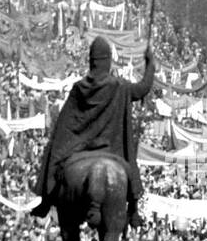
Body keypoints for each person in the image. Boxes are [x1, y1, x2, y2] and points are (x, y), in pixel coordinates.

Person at [32, 36, 155, 224]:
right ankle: (134, 207)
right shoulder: (119, 86)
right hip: (111, 148)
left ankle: (46, 200)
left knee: (53, 148)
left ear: (91, 61)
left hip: (79, 147)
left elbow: (65, 124)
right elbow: (142, 89)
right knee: (130, 163)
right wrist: (150, 64)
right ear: (108, 61)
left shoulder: (79, 87)